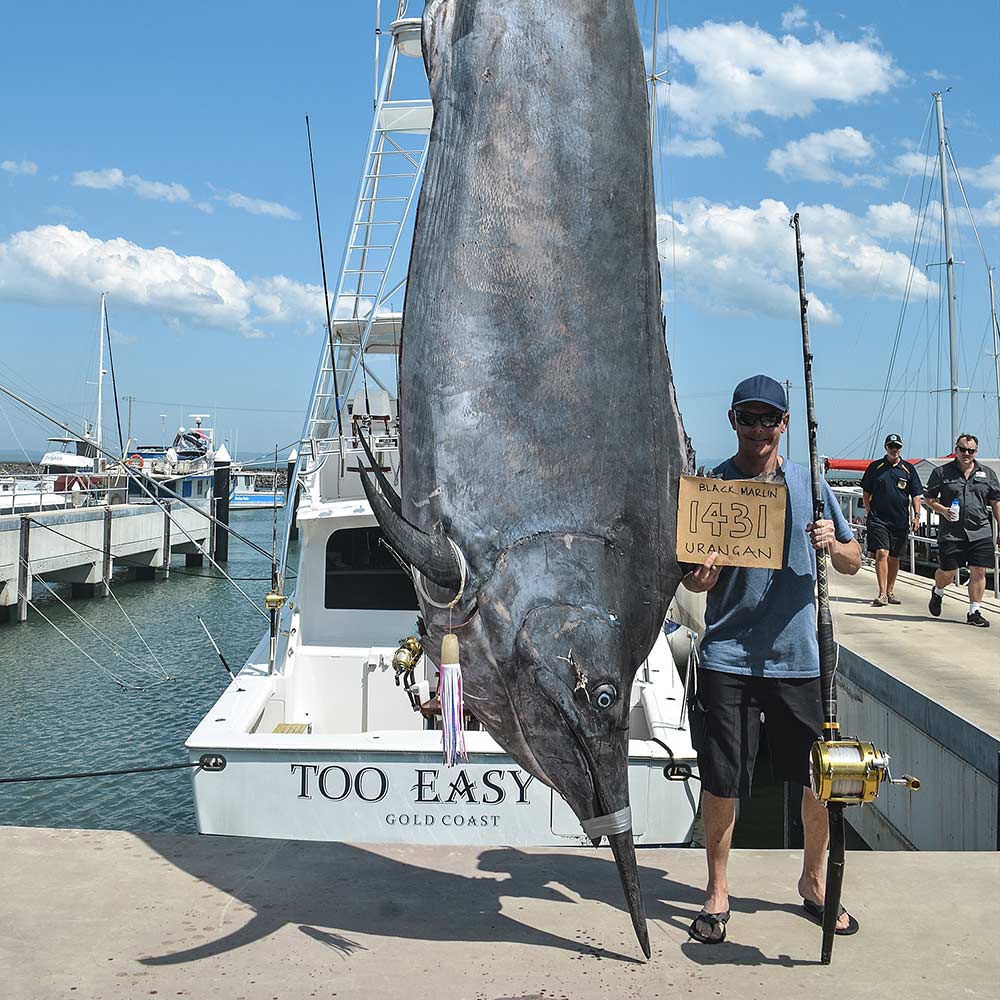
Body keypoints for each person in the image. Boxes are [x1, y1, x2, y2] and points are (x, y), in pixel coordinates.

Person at [682, 374, 862, 944]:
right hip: (726, 657)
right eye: (748, 418)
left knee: (819, 779)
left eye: (769, 419)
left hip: (798, 660)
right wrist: (699, 577)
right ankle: (716, 889)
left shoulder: (811, 485)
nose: (759, 429)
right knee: (723, 778)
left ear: (784, 425)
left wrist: (834, 544)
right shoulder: (710, 485)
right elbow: (690, 574)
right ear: (732, 421)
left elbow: (855, 560)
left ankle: (812, 882)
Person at [924, 433, 1000, 628]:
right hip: (952, 532)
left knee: (979, 570)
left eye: (971, 450)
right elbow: (929, 499)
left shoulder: (988, 474)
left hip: (981, 530)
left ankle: (974, 611)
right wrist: (943, 510)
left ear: (976, 452)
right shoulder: (941, 473)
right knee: (948, 572)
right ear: (956, 449)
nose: (967, 453)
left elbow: (996, 502)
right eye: (963, 449)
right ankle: (938, 590)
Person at [860, 434, 923, 606]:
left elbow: (916, 494)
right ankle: (882, 594)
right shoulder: (875, 467)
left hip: (900, 520)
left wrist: (916, 516)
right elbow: (866, 492)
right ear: (886, 447)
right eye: (891, 446)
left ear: (901, 448)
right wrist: (869, 512)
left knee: (894, 558)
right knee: (882, 553)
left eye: (897, 446)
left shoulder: (908, 469)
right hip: (879, 519)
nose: (894, 449)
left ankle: (890, 590)